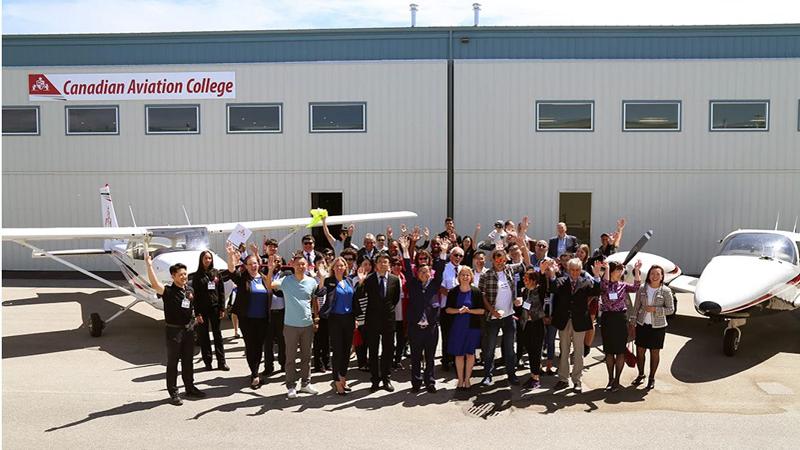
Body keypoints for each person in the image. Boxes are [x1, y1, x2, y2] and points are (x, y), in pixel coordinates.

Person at [145, 253, 206, 405]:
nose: (184, 277)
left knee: (188, 361)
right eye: (181, 275)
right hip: (174, 332)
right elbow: (154, 284)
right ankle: (173, 392)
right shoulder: (168, 291)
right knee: (173, 363)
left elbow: (193, 306)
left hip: (189, 329)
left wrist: (196, 317)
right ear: (173, 276)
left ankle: (190, 388)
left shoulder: (189, 290)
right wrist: (149, 265)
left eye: (185, 274)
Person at [478, 217, 532, 387]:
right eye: (497, 259)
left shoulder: (509, 270)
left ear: (505, 259)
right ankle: (487, 375)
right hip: (493, 318)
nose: (500, 261)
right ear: (493, 260)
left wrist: (521, 239)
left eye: (502, 258)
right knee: (490, 349)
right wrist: (492, 311)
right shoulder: (487, 275)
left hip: (508, 317)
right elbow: (483, 296)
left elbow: (525, 263)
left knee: (509, 349)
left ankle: (511, 375)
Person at [271, 253, 327, 399]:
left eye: (303, 264)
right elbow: (270, 285)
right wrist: (271, 270)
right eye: (298, 264)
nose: (301, 267)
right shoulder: (285, 280)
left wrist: (321, 277)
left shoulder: (311, 282)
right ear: (293, 265)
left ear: (307, 266)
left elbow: (317, 296)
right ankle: (290, 385)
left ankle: (305, 383)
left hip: (307, 325)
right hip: (290, 325)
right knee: (290, 357)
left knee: (306, 357)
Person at [544, 257, 603, 393]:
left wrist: (596, 275)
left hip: (579, 322)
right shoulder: (561, 281)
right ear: (568, 270)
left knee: (578, 352)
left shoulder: (586, 282)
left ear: (580, 270)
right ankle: (563, 379)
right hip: (564, 321)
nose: (575, 273)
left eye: (577, 270)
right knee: (564, 351)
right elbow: (553, 289)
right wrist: (552, 275)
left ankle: (577, 380)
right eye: (572, 270)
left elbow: (596, 292)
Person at [224, 242, 273, 389]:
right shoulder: (243, 278)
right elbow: (231, 270)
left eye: (256, 263)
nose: (254, 266)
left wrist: (270, 270)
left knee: (258, 347)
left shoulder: (264, 278)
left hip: (263, 319)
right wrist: (230, 256)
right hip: (247, 319)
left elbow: (271, 290)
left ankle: (255, 370)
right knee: (251, 346)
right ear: (245, 266)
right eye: (250, 264)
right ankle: (255, 374)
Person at [355, 252, 402, 392]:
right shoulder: (368, 279)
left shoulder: (394, 279)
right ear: (376, 265)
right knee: (373, 351)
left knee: (388, 350)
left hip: (388, 321)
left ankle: (386, 379)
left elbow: (395, 299)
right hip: (372, 321)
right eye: (380, 261)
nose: (383, 264)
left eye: (385, 262)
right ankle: (375, 380)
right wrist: (361, 282)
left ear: (389, 265)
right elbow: (359, 296)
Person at [630, 265, 675, 390]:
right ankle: (640, 374)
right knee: (640, 351)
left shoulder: (665, 291)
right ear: (649, 275)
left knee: (654, 352)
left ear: (661, 277)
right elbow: (636, 306)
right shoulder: (642, 289)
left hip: (658, 327)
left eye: (658, 274)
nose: (655, 276)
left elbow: (671, 310)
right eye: (652, 274)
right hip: (642, 325)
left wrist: (656, 309)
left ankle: (652, 377)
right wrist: (632, 322)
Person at [600, 260, 641, 392]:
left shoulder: (623, 285)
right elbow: (605, 286)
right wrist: (606, 269)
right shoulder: (604, 284)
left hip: (620, 319)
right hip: (607, 319)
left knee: (620, 350)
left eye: (620, 269)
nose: (620, 272)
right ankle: (610, 379)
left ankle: (617, 379)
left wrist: (636, 271)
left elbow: (636, 287)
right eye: (618, 269)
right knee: (609, 351)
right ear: (611, 271)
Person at [321, 256, 359, 395]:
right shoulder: (329, 281)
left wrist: (355, 318)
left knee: (346, 350)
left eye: (342, 265)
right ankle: (337, 381)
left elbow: (353, 299)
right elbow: (320, 293)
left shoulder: (349, 280)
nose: (339, 267)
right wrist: (321, 279)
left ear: (345, 268)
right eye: (336, 265)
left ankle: (343, 376)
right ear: (333, 268)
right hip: (335, 319)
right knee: (337, 351)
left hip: (348, 319)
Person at [445, 266, 484, 390]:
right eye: (463, 275)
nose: (465, 277)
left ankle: (467, 379)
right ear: (459, 277)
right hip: (457, 327)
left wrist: (469, 311)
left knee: (470, 354)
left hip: (472, 328)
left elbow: (482, 311)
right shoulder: (453, 292)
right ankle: (460, 379)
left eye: (468, 275)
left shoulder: (476, 292)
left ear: (471, 277)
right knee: (459, 354)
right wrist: (458, 311)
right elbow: (448, 309)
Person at [191, 250, 229, 372]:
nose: (208, 260)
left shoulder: (216, 273)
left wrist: (222, 308)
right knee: (204, 336)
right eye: (205, 258)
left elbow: (221, 291)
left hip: (215, 308)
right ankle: (208, 362)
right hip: (202, 310)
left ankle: (221, 362)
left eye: (209, 258)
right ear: (201, 260)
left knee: (217, 335)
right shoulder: (197, 276)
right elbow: (195, 296)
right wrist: (197, 313)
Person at [518, 268, 548, 390]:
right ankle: (532, 375)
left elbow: (545, 284)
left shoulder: (539, 290)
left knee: (536, 352)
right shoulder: (524, 291)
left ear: (534, 280)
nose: (525, 281)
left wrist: (542, 270)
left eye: (527, 279)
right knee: (530, 351)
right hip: (527, 324)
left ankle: (536, 379)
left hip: (537, 324)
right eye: (524, 279)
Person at [262, 238, 287, 376]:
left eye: (278, 261)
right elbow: (267, 287)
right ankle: (268, 366)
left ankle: (283, 364)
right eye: (274, 261)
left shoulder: (286, 275)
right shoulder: (265, 274)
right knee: (268, 342)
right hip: (269, 313)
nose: (276, 263)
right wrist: (269, 270)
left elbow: (279, 290)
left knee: (283, 341)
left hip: (282, 312)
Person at [438, 245, 463, 371]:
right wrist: (453, 297)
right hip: (446, 307)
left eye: (460, 256)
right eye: (455, 255)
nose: (458, 258)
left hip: (461, 309)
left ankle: (455, 359)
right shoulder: (444, 268)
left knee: (457, 334)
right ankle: (445, 360)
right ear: (450, 255)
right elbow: (440, 287)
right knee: (447, 335)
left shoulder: (464, 269)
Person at [577, 243, 599, 357]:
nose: (579, 254)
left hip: (591, 298)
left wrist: (589, 300)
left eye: (582, 252)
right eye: (578, 251)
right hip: (579, 299)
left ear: (586, 254)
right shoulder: (574, 264)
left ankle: (587, 346)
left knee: (590, 323)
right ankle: (578, 346)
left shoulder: (589, 265)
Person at [353, 258, 374, 371]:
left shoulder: (374, 278)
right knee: (361, 342)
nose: (367, 267)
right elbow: (356, 296)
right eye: (364, 264)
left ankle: (371, 362)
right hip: (360, 315)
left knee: (371, 340)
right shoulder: (355, 279)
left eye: (369, 264)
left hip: (371, 315)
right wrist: (361, 281)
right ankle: (361, 363)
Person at [390, 257, 408, 369]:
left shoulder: (404, 279)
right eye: (394, 264)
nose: (397, 267)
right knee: (390, 339)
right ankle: (390, 358)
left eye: (399, 265)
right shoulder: (388, 279)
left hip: (403, 314)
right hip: (391, 315)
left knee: (401, 339)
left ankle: (398, 359)